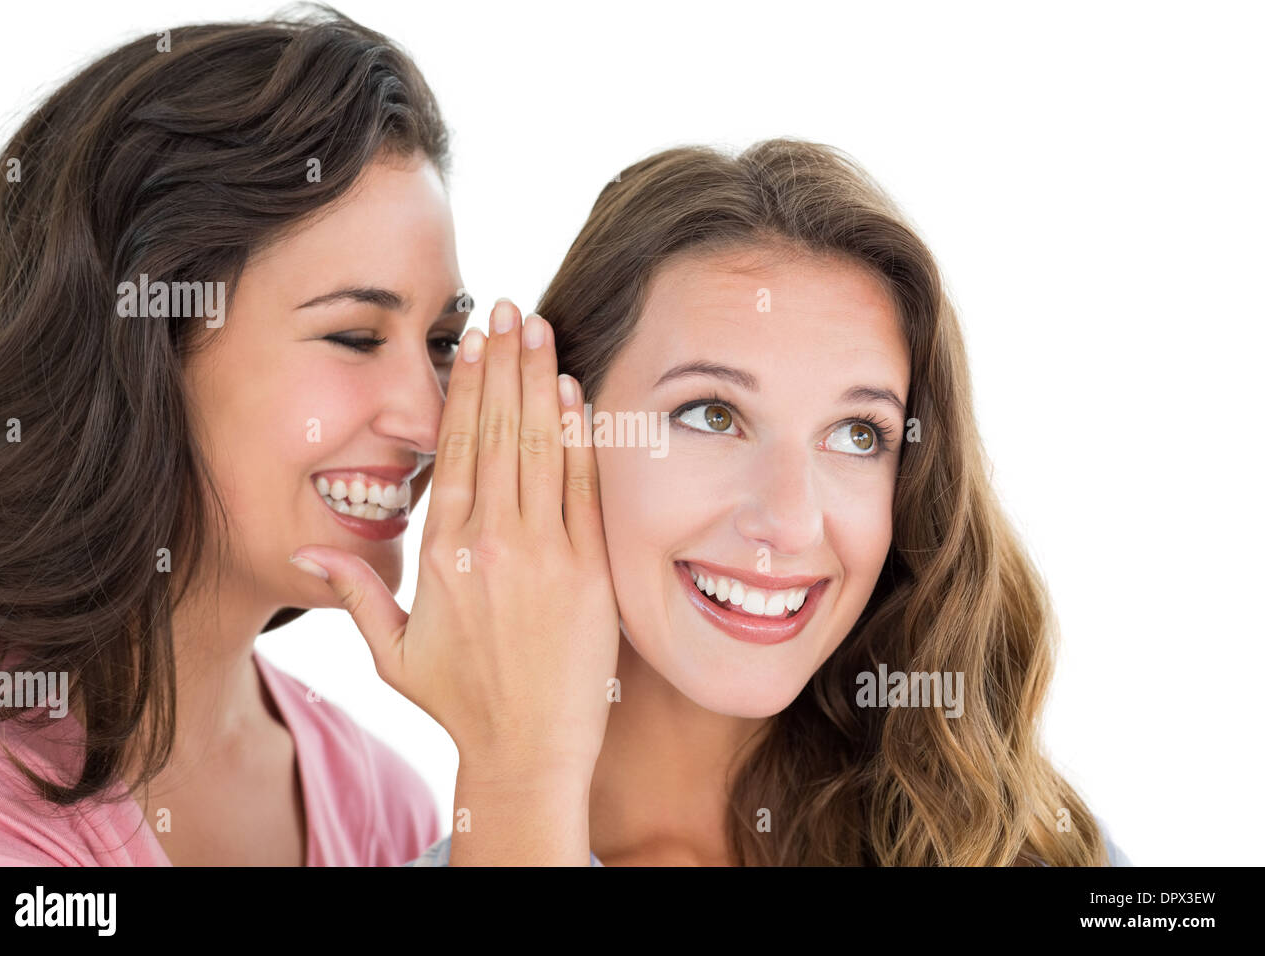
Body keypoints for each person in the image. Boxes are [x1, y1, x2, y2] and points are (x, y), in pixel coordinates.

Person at [303, 140, 1130, 866]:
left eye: (857, 434)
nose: (789, 521)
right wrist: (521, 775)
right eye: (712, 415)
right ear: (555, 431)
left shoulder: (1031, 850)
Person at [0, 8, 458, 865]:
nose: (429, 423)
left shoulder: (390, 812)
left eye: (442, 345)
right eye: (355, 337)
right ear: (142, 348)